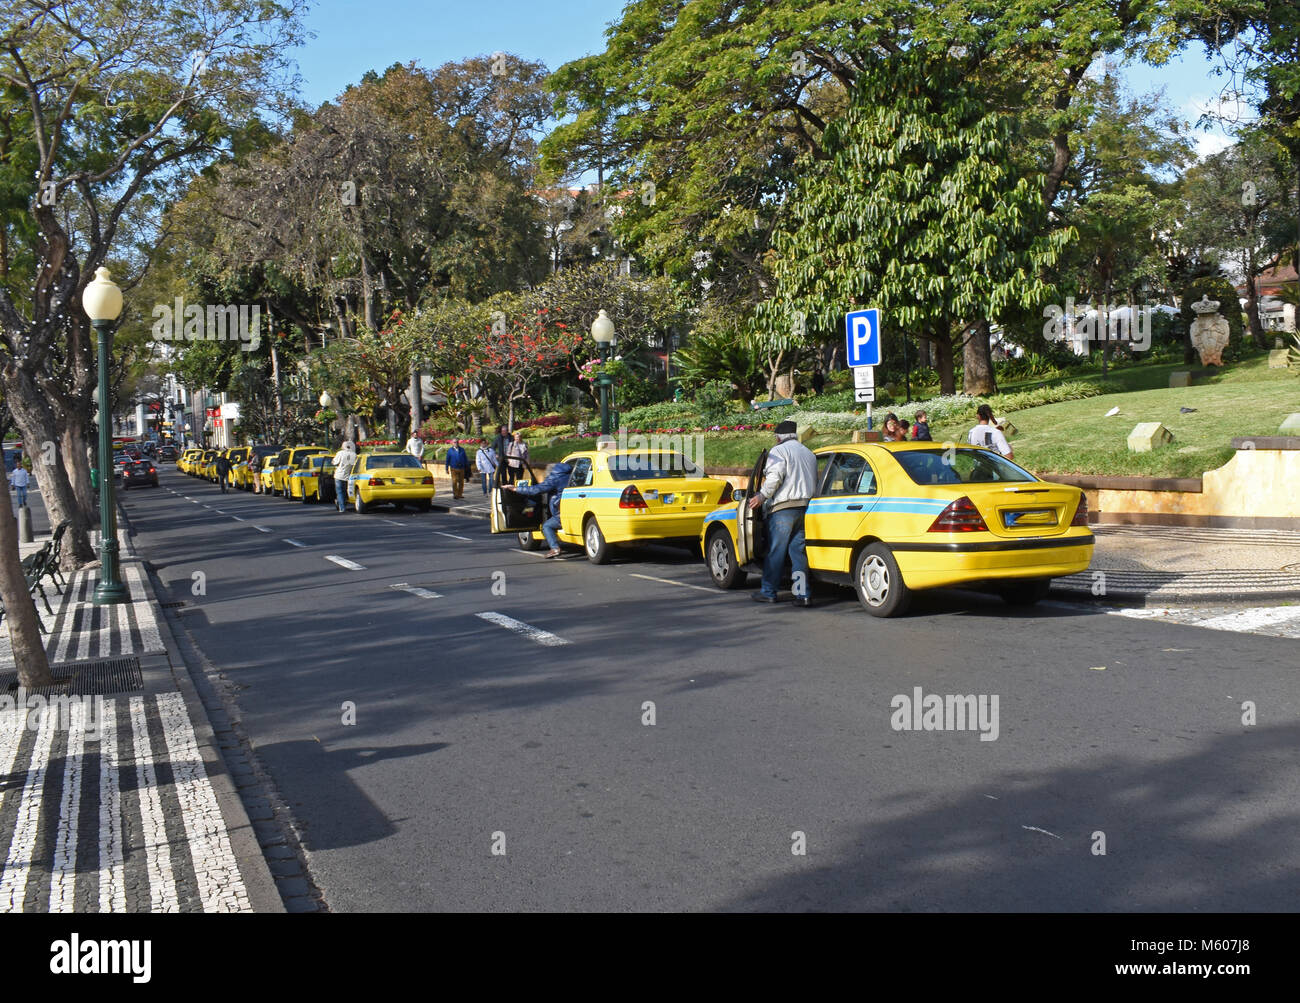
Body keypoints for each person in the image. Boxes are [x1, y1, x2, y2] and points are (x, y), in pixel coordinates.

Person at [747, 420, 819, 607]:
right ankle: (802, 594)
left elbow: (774, 477)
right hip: (804, 508)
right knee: (798, 554)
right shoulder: (809, 453)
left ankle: (769, 591)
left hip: (783, 509)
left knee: (775, 552)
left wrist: (761, 497)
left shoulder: (778, 451)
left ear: (779, 437)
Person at [505, 460, 574, 558]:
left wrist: (515, 489)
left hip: (561, 513)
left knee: (547, 526)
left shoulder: (555, 477)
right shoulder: (572, 475)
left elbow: (537, 489)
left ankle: (555, 548)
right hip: (574, 511)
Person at [332, 440, 358, 512]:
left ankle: (342, 507)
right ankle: (345, 503)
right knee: (345, 491)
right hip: (348, 476)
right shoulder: (354, 454)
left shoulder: (340, 453)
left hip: (339, 475)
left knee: (340, 492)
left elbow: (334, 462)